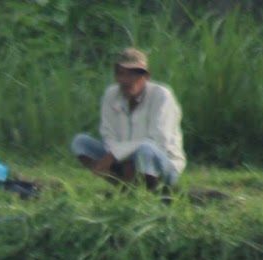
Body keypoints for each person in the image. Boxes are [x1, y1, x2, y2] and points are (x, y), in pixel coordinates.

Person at [71, 47, 185, 192]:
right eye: (122, 74)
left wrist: (117, 154)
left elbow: (158, 142)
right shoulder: (111, 95)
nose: (126, 80)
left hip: (163, 164)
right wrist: (121, 157)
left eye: (133, 75)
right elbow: (108, 135)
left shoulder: (161, 96)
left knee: (146, 150)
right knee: (80, 142)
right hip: (122, 162)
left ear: (145, 77)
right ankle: (124, 187)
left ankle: (149, 191)